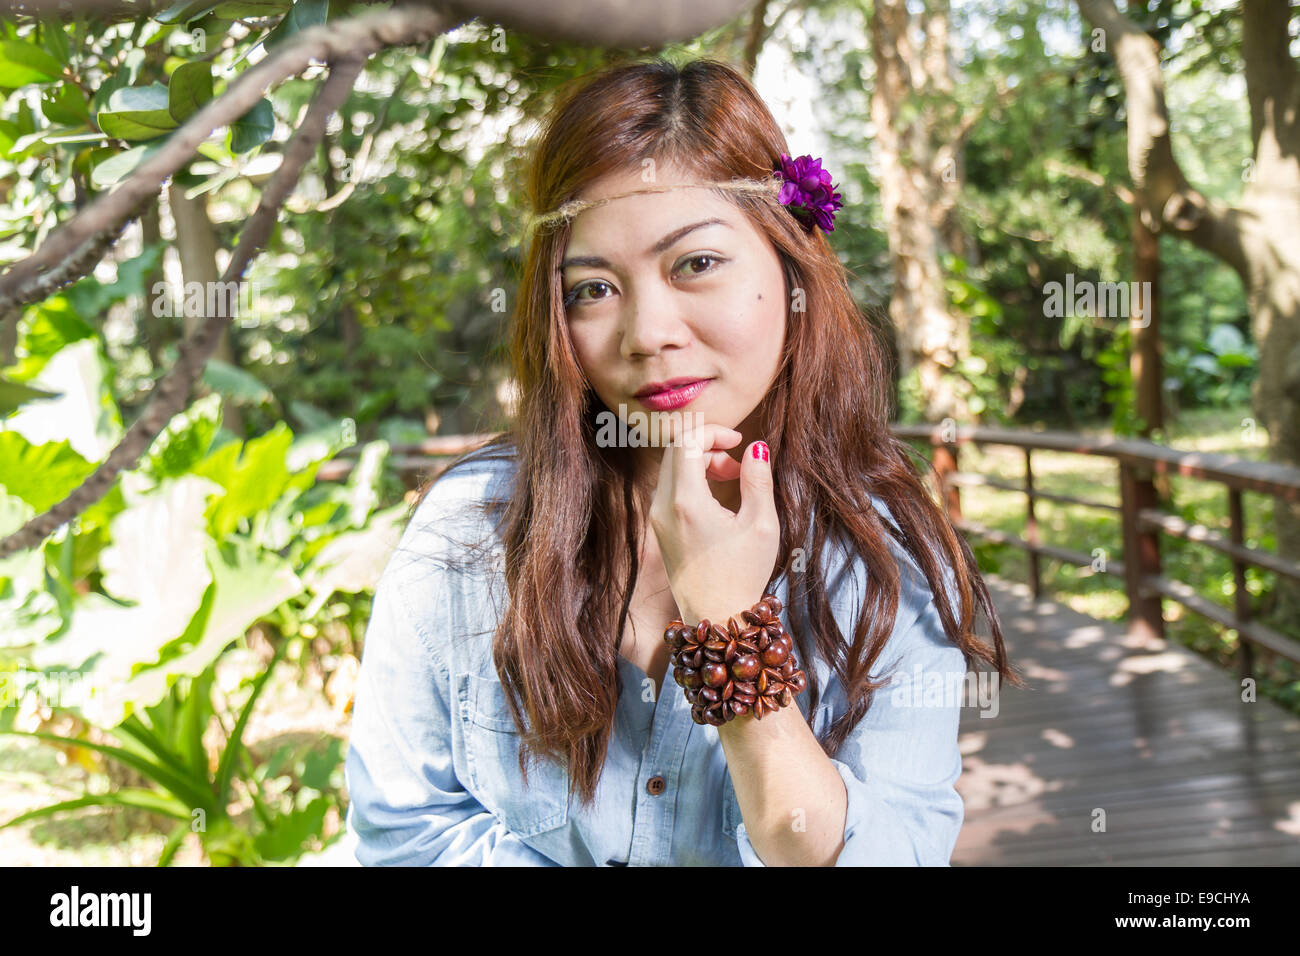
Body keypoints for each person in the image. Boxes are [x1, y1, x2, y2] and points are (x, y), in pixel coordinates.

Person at [344, 55, 1019, 866]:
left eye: (695, 264)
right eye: (592, 288)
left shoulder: (880, 558)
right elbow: (406, 834)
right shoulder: (468, 535)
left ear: (788, 261)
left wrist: (731, 631)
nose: (647, 334)